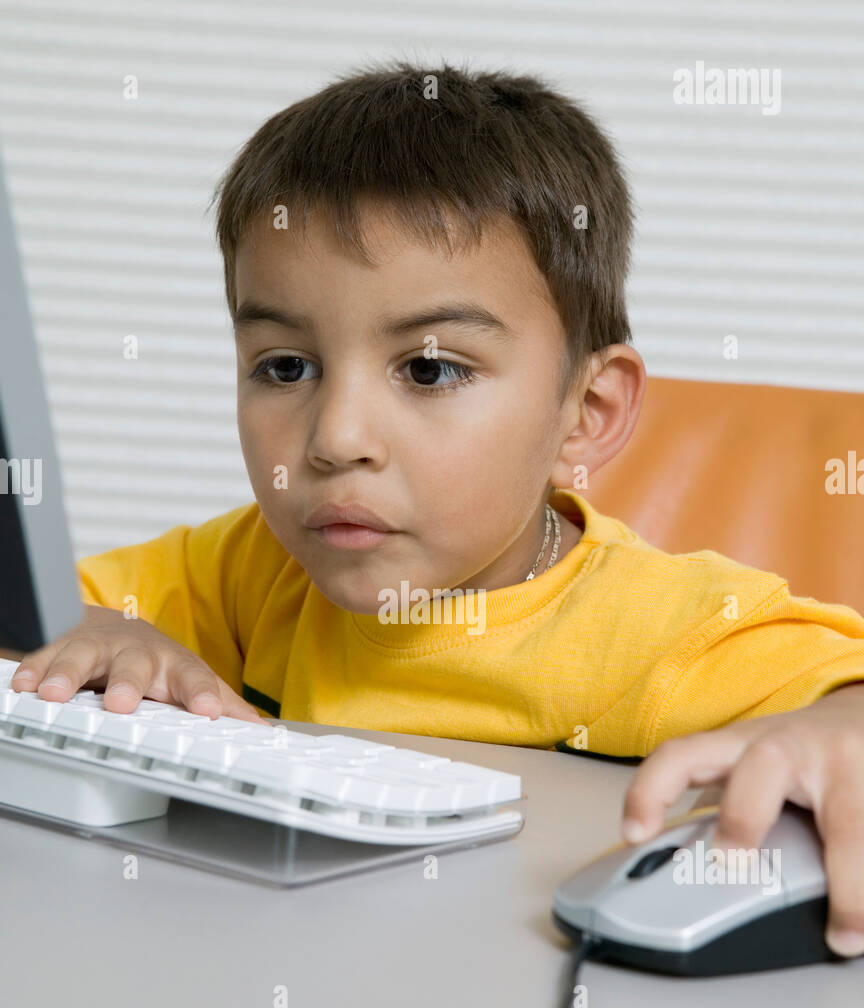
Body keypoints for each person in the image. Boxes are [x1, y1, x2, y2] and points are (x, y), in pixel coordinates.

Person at [12, 62, 864, 954]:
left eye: (429, 369)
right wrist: (103, 632)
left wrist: (834, 737)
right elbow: (33, 617)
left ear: (587, 413)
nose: (336, 438)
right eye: (285, 366)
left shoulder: (670, 634)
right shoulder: (246, 572)